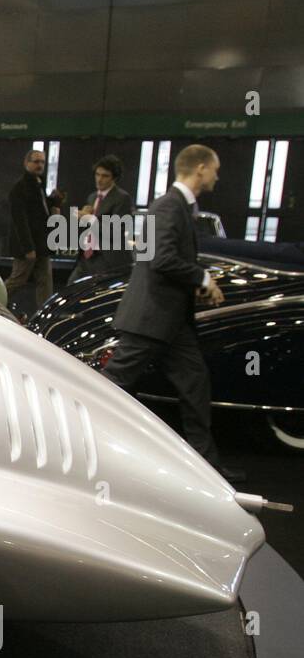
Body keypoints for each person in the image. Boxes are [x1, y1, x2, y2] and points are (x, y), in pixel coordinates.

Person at [102, 144, 241, 483]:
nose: (217, 176)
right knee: (111, 388)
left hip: (170, 321)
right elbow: (161, 259)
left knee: (195, 386)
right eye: (215, 170)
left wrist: (195, 284)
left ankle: (208, 470)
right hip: (150, 319)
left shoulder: (180, 207)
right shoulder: (168, 206)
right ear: (200, 169)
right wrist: (202, 277)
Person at [7, 148, 62, 316]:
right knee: (18, 279)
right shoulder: (20, 188)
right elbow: (20, 221)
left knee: (45, 281)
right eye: (36, 161)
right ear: (26, 163)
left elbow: (39, 212)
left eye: (42, 162)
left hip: (41, 245)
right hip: (29, 246)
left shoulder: (39, 184)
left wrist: (54, 201)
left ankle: (44, 315)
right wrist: (28, 248)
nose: (40, 165)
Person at [67, 154, 136, 284]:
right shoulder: (92, 197)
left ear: (114, 178)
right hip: (88, 256)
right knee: (71, 288)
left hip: (107, 258)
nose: (99, 179)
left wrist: (90, 219)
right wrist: (81, 219)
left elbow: (116, 232)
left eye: (105, 176)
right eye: (97, 175)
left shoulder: (122, 198)